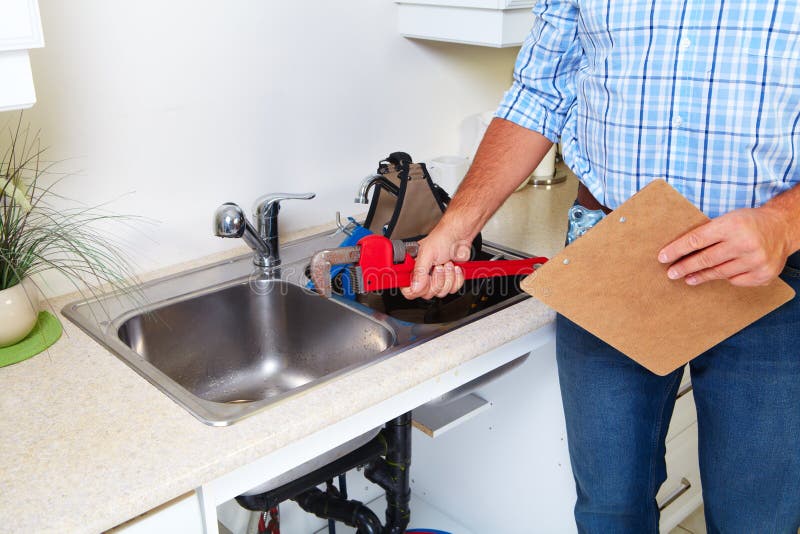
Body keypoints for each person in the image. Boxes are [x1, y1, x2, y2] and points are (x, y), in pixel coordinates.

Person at [401, 1, 800, 532]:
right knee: (609, 509)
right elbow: (539, 94)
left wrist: (784, 222)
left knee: (758, 520)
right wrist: (458, 224)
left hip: (765, 274)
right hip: (611, 256)